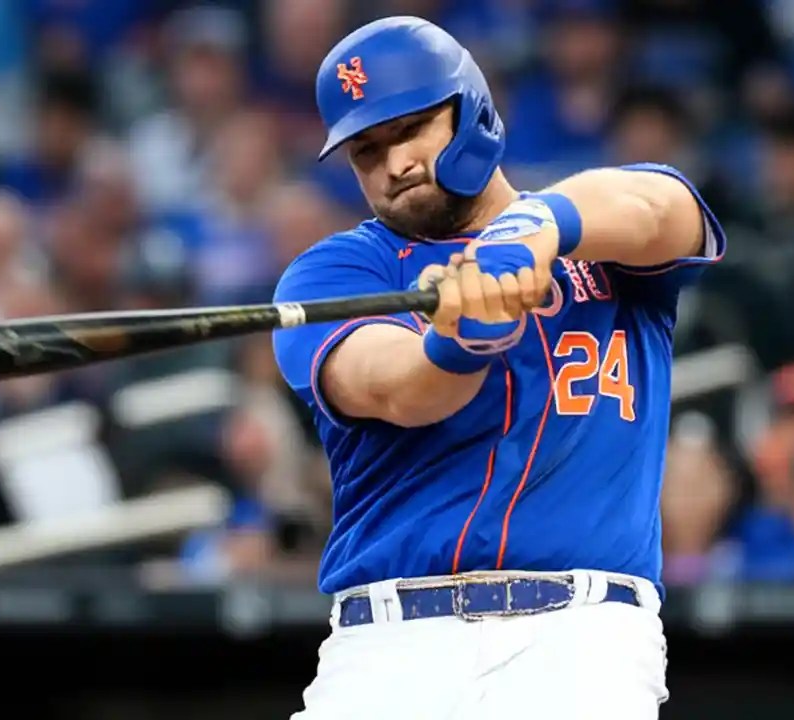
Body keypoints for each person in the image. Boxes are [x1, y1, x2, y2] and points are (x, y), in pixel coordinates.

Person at [271, 16, 725, 718]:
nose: (394, 164)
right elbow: (395, 389)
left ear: (472, 109)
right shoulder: (336, 271)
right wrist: (460, 340)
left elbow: (664, 205)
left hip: (576, 641)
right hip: (390, 645)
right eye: (367, 150)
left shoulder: (595, 234)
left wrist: (534, 229)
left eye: (410, 127)